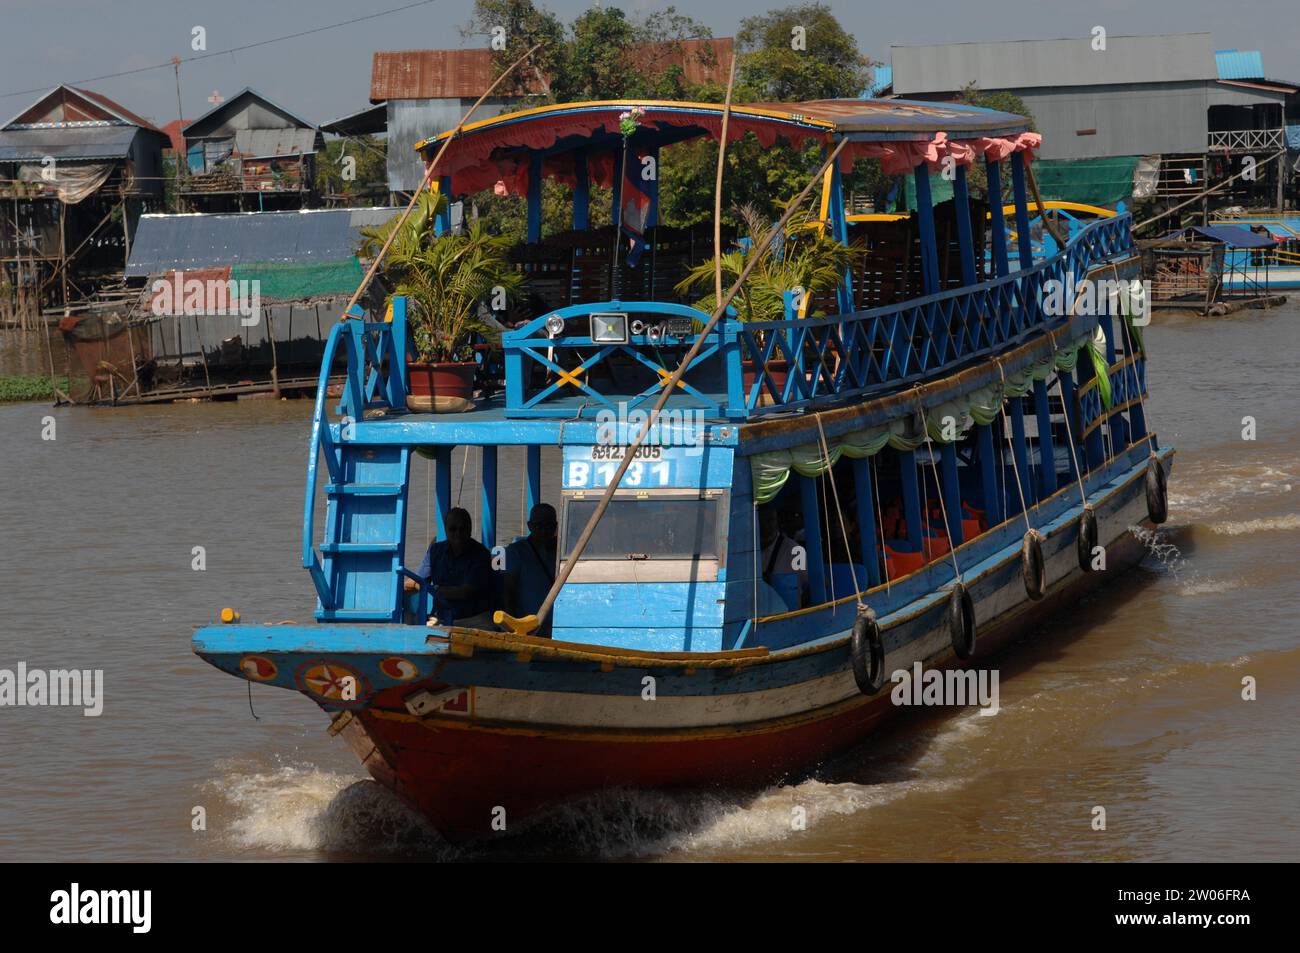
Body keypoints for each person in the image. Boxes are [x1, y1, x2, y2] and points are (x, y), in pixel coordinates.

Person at [405, 507, 497, 629]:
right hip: (441, 617)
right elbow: (418, 581)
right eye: (453, 529)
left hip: (474, 618)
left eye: (462, 529)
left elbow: (465, 592)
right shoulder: (435, 551)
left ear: (470, 529)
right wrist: (401, 587)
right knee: (412, 629)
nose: (458, 534)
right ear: (446, 530)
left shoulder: (481, 554)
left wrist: (431, 588)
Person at [502, 503, 558, 638]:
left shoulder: (562, 551)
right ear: (530, 526)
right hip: (527, 626)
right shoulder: (516, 552)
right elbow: (508, 591)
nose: (544, 530)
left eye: (549, 526)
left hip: (557, 625)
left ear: (555, 526)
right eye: (539, 526)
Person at [759, 506, 807, 599]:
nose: (765, 525)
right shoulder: (744, 550)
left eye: (770, 520)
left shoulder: (795, 550)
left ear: (777, 521)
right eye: (761, 520)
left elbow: (806, 586)